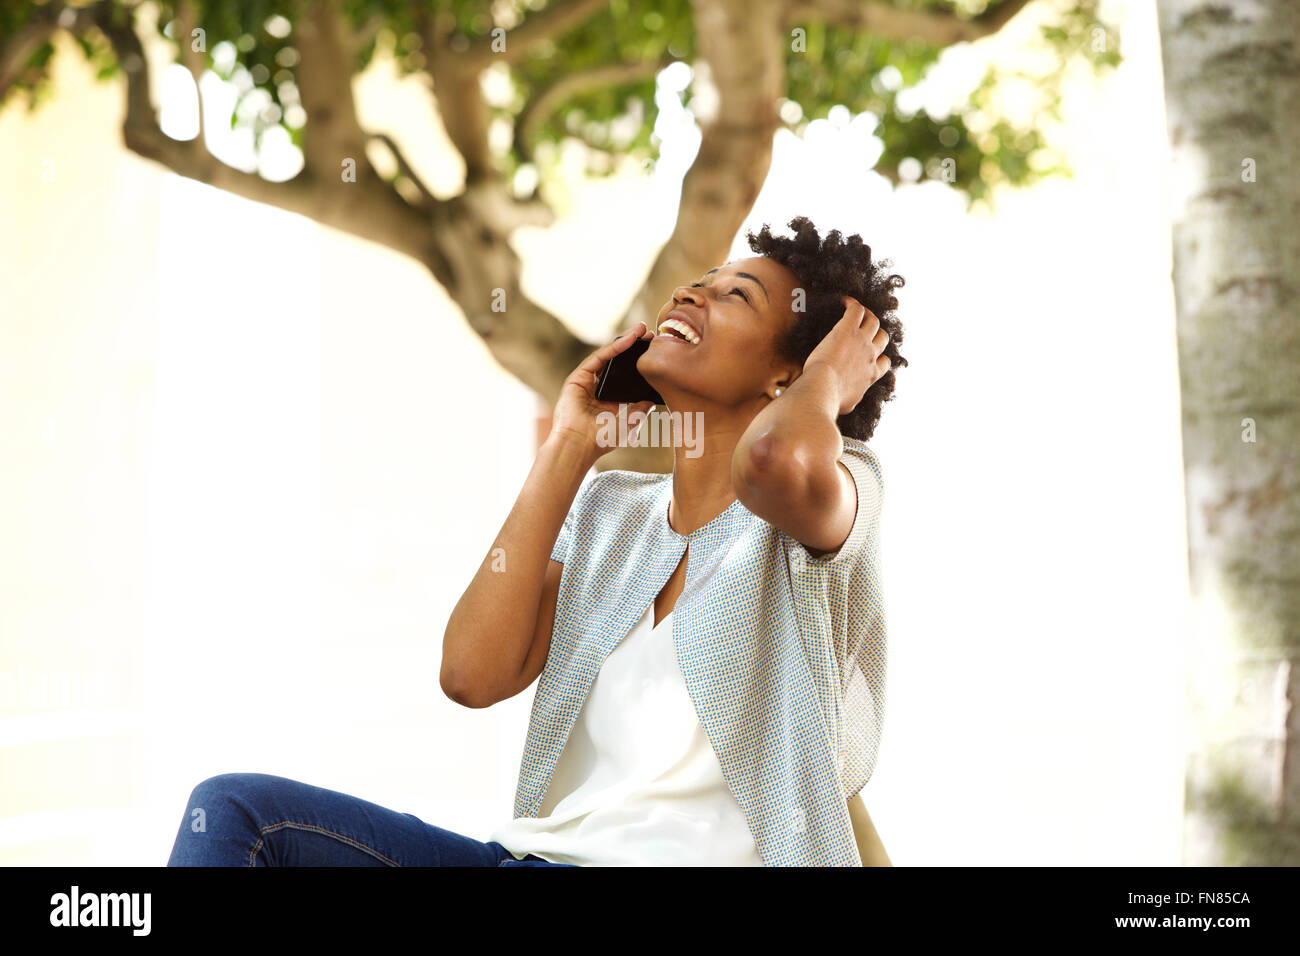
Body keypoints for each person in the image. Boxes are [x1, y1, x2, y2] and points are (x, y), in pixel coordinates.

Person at [166, 216, 906, 867]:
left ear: (789, 374)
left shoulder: (834, 501)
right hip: (535, 861)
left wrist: (828, 382)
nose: (691, 293)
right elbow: (470, 674)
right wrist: (570, 446)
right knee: (238, 816)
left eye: (734, 294)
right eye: (701, 281)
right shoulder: (616, 511)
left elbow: (773, 463)